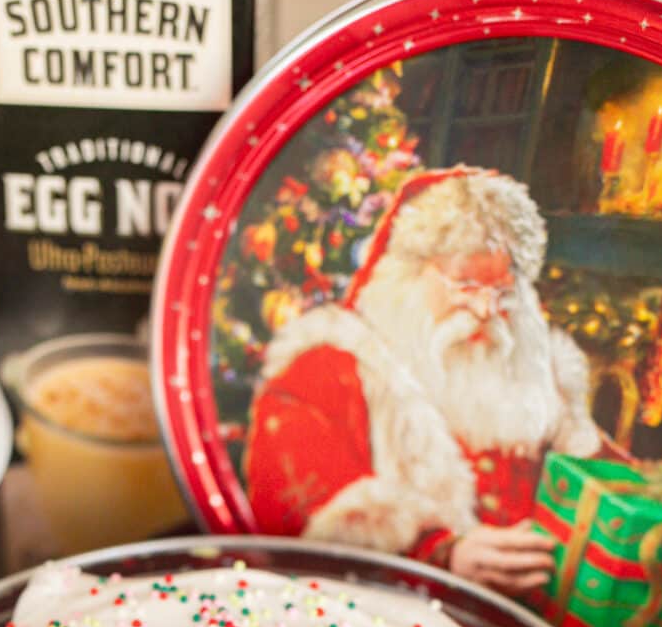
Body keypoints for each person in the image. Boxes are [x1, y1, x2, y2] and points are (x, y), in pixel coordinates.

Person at [244, 166, 603, 596]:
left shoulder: (537, 378)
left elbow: (600, 471)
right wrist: (439, 556)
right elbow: (297, 518)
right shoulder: (328, 370)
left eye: (503, 292)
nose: (486, 310)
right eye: (466, 284)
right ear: (406, 276)